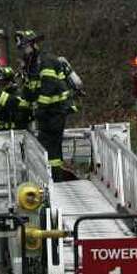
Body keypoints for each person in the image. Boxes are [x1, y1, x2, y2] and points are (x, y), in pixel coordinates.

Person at [17, 29, 81, 180]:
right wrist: (22, 110)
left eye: (25, 47)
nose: (23, 51)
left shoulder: (45, 61)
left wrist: (40, 108)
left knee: (48, 144)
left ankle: (54, 177)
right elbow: (30, 91)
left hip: (56, 110)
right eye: (21, 48)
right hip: (48, 112)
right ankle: (55, 176)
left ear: (33, 44)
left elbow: (49, 86)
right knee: (51, 145)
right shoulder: (31, 65)